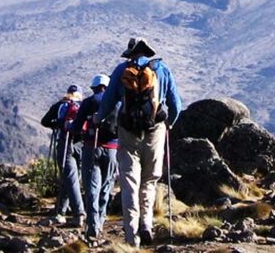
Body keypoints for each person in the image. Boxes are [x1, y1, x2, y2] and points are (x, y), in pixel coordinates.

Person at [95, 38, 182, 247]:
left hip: (128, 132)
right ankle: (146, 224)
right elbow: (176, 105)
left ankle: (131, 236)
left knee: (129, 183)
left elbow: (108, 103)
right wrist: (169, 123)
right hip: (155, 130)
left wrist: (98, 119)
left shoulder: (121, 70)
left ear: (130, 54)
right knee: (149, 181)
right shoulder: (161, 69)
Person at [71, 73, 119, 243]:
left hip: (92, 148)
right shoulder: (117, 102)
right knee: (107, 186)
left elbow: (76, 127)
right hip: (113, 149)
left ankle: (92, 228)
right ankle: (101, 219)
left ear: (94, 87)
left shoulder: (89, 102)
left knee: (92, 188)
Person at [40, 83, 85, 227]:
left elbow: (45, 121)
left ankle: (79, 213)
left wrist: (58, 124)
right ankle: (61, 211)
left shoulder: (60, 105)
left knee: (70, 178)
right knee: (73, 177)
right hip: (82, 145)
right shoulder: (84, 104)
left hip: (65, 144)